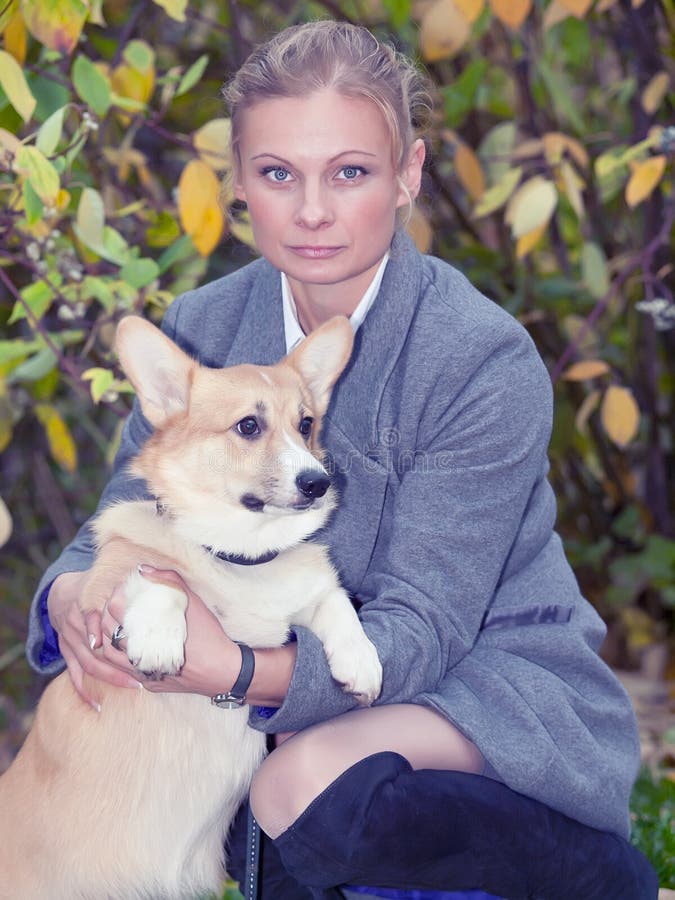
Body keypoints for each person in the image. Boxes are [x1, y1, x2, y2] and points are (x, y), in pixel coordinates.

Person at [26, 20, 657, 900]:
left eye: (350, 172)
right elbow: (125, 521)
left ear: (409, 175)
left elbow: (423, 627)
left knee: (293, 780)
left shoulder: (479, 356)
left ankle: (593, 879)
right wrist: (69, 600)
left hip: (481, 679)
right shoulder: (205, 327)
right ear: (240, 182)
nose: (312, 210)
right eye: (278, 173)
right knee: (257, 786)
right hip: (301, 684)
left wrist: (237, 673)